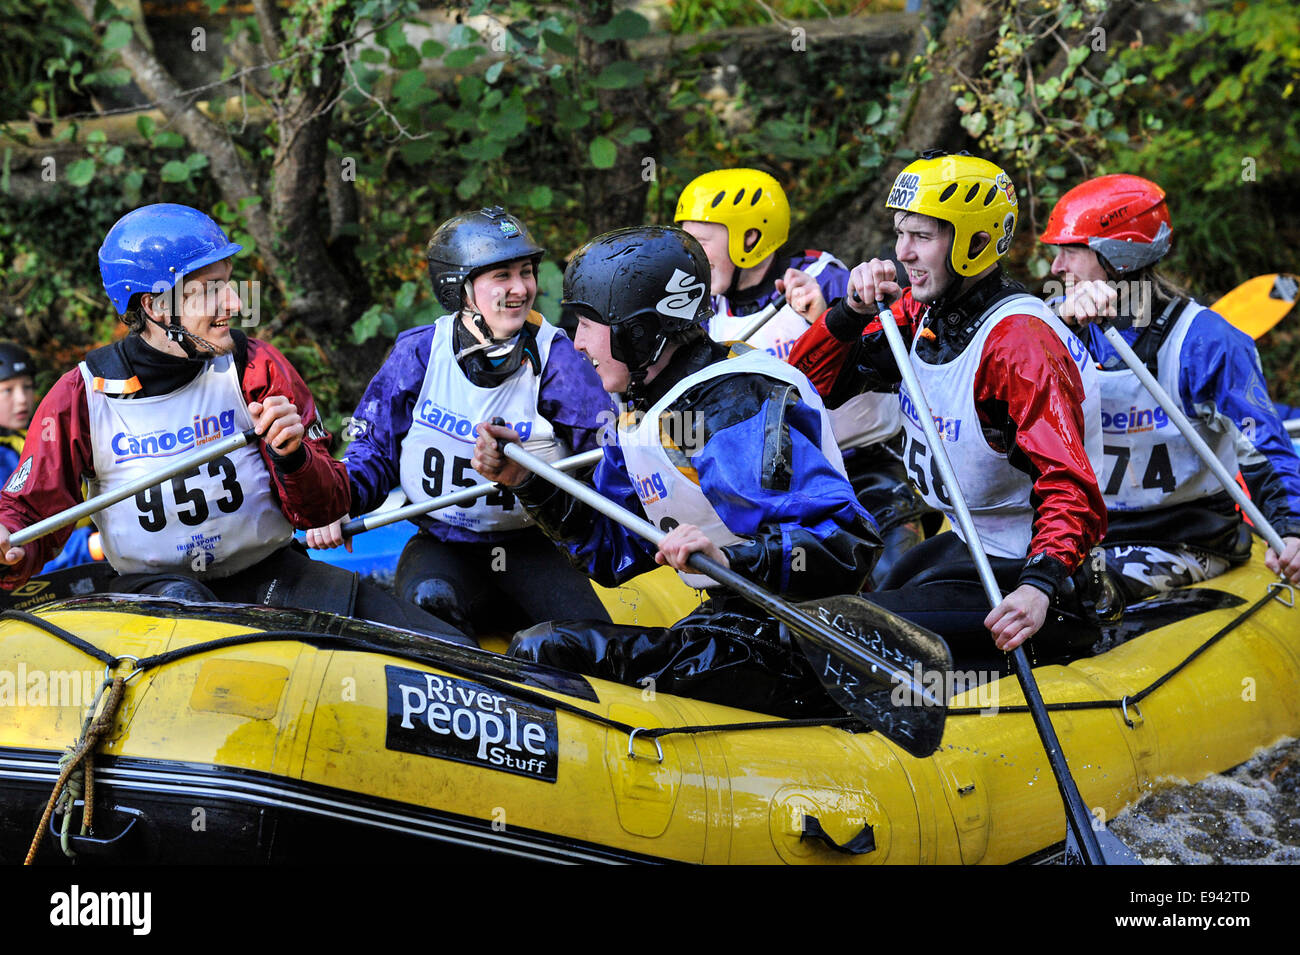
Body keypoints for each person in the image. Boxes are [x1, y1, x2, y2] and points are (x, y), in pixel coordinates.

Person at [0, 203, 468, 644]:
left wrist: (295, 458)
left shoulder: (254, 365)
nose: (232, 303)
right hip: (154, 595)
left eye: (228, 283)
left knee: (442, 646)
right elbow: (27, 515)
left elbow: (324, 510)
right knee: (190, 609)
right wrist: (7, 543)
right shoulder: (82, 396)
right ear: (156, 307)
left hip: (272, 575)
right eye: (208, 290)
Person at [472, 225, 882, 716]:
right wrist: (527, 482)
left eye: (588, 322)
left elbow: (847, 544)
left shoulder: (730, 406)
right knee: (549, 645)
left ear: (640, 328)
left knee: (548, 649)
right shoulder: (646, 410)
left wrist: (734, 561)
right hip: (730, 627)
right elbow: (612, 551)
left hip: (804, 645)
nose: (577, 342)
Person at [787, 151, 1108, 660]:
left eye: (922, 236)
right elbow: (809, 387)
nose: (902, 253)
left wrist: (1039, 586)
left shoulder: (1020, 344)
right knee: (823, 613)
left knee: (839, 634)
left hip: (1029, 578)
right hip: (964, 550)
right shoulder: (922, 314)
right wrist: (848, 313)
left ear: (976, 243)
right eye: (900, 233)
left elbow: (1069, 483)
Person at [305, 207, 616, 639]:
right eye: (501, 276)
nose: (521, 288)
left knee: (590, 642)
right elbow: (373, 450)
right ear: (461, 289)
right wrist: (339, 503)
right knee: (431, 602)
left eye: (526, 272)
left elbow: (606, 460)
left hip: (534, 546)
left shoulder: (559, 361)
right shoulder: (418, 353)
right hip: (441, 547)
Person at [1040, 173, 1300, 595]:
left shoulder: (1206, 342)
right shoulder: (1051, 326)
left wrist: (1291, 529)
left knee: (1074, 595)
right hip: (1087, 531)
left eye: (1070, 252)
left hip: (1184, 537)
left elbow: (1263, 449)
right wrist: (1057, 328)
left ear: (1117, 254)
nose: (1056, 268)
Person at [675, 167, 926, 585]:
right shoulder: (705, 312)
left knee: (892, 586)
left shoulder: (826, 276)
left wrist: (827, 314)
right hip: (779, 484)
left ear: (750, 239)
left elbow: (889, 355)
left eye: (701, 243)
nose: (691, 258)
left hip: (867, 471)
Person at [0, 343, 96, 572]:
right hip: (55, 567)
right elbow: (13, 549)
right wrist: (89, 546)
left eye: (27, 387)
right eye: (7, 390)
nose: (22, 399)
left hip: (86, 551)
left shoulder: (47, 433)